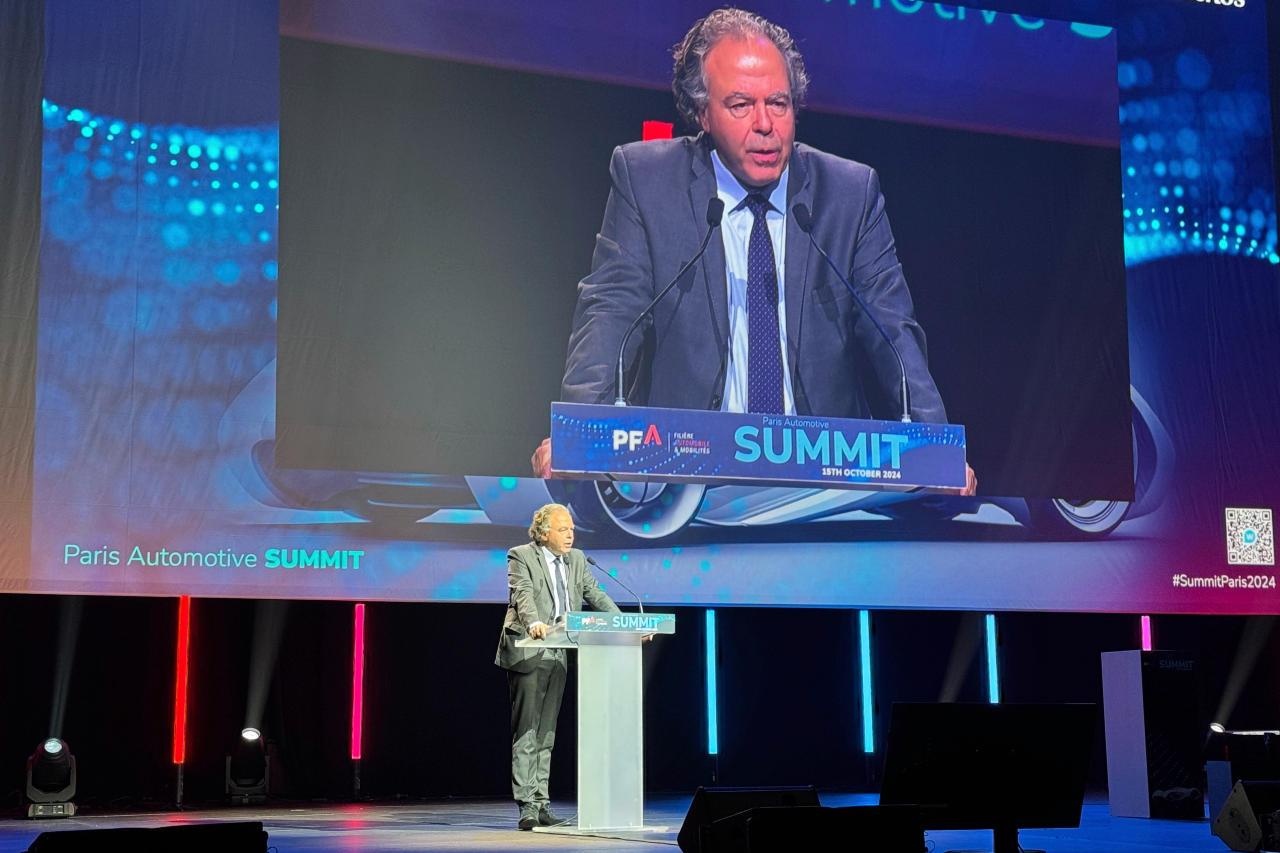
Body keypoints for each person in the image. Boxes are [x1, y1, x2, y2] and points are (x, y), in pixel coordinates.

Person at [534, 8, 976, 495]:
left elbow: (894, 333)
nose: (765, 124)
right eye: (741, 105)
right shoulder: (647, 180)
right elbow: (611, 312)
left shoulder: (849, 193)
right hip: (685, 480)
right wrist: (579, 434)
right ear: (702, 113)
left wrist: (937, 452)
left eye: (779, 104)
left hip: (823, 489)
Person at [494, 503, 620, 830]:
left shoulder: (576, 559)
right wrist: (534, 621)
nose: (570, 534)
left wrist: (625, 622)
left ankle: (542, 801)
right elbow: (522, 595)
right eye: (563, 529)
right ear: (544, 531)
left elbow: (595, 594)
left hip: (561, 650)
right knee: (528, 730)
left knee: (547, 732)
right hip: (530, 648)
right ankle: (527, 806)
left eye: (572, 529)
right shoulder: (520, 555)